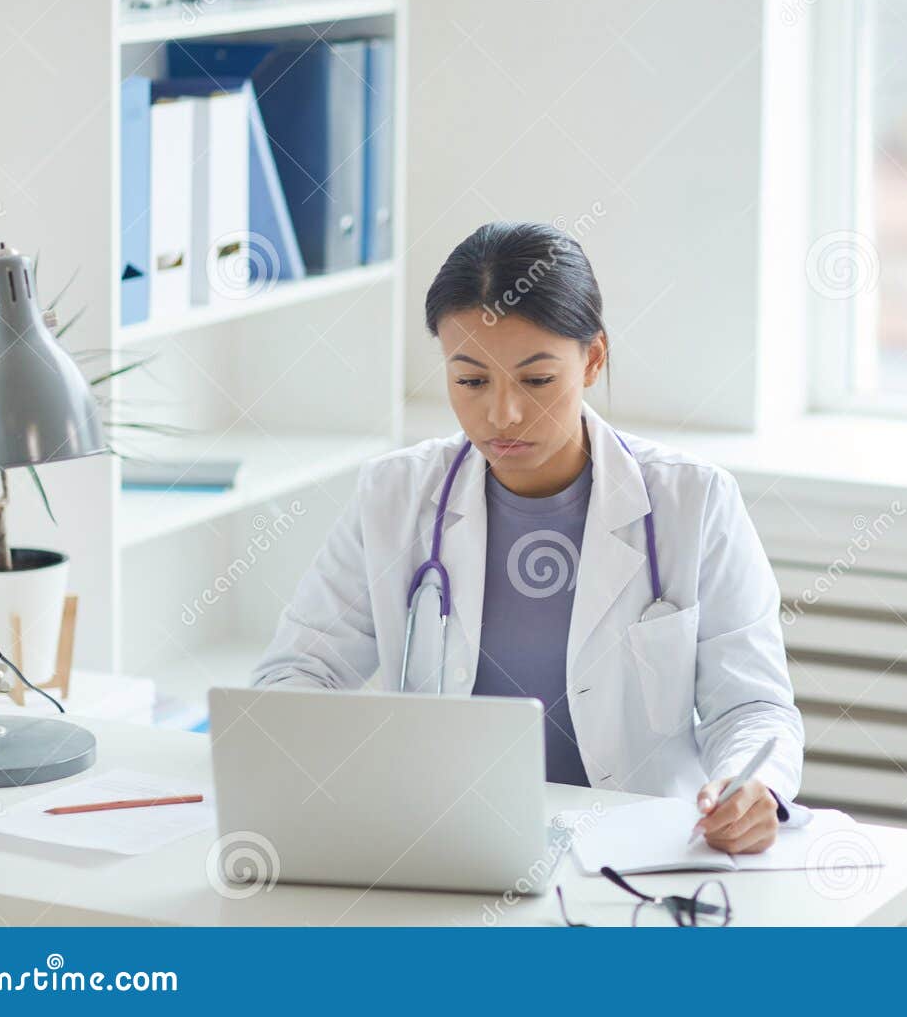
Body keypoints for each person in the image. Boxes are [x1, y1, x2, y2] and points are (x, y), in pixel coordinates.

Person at [253, 221, 805, 853]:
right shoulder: (394, 498)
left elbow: (753, 706)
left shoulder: (693, 502)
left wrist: (750, 784)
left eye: (537, 380)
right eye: (470, 381)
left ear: (592, 358)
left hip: (634, 856)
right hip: (445, 846)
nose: (502, 415)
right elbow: (298, 673)